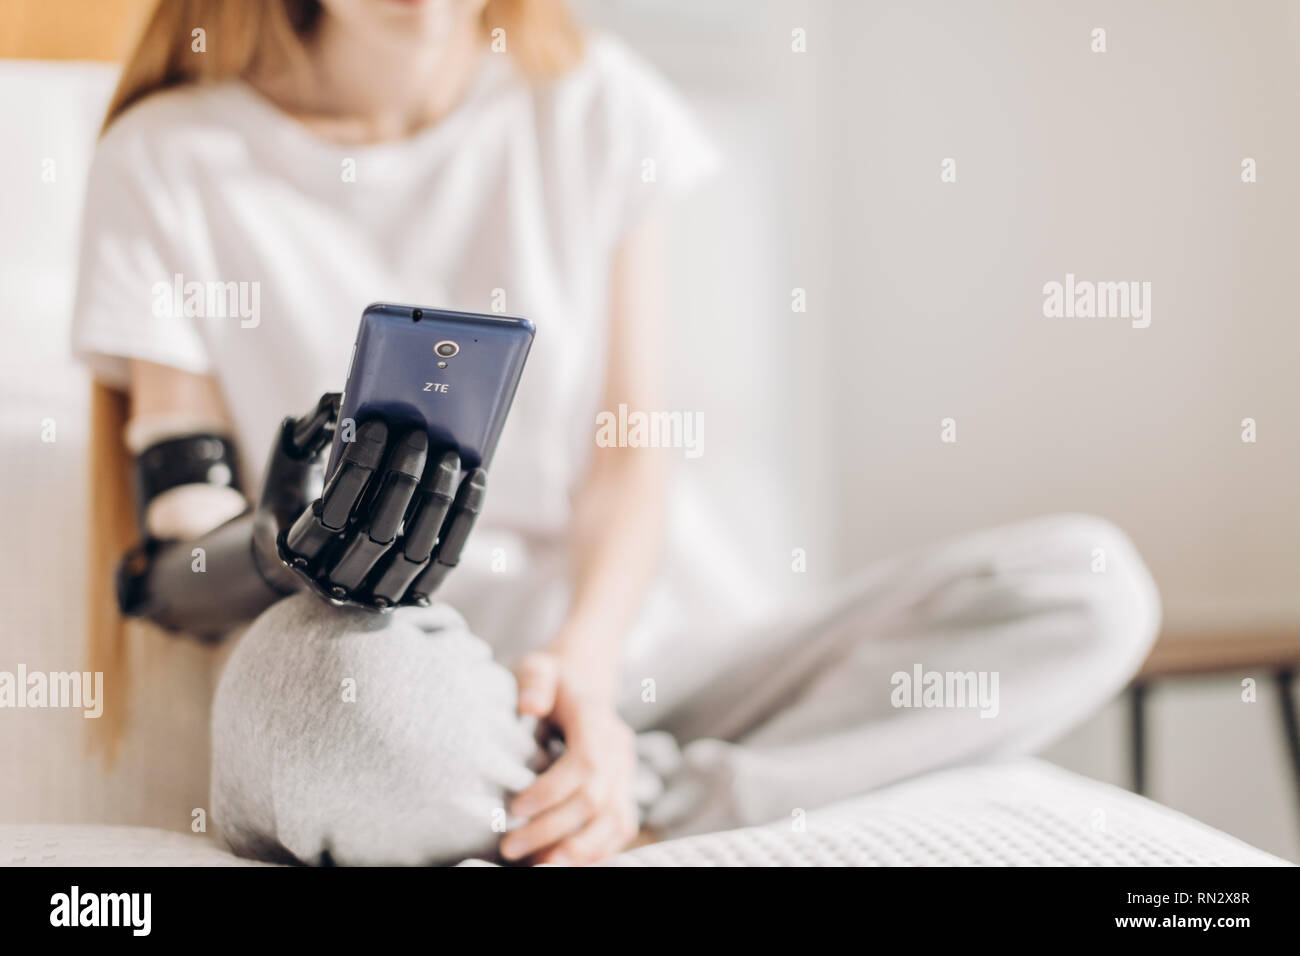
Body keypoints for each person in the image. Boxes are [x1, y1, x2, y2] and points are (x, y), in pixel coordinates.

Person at [73, 0, 1160, 866]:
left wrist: (581, 676)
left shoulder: (588, 105)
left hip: (630, 664)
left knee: (1086, 587)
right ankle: (581, 789)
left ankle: (639, 795)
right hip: (393, 672)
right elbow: (179, 542)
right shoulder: (166, 160)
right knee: (311, 710)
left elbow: (630, 455)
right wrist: (276, 541)